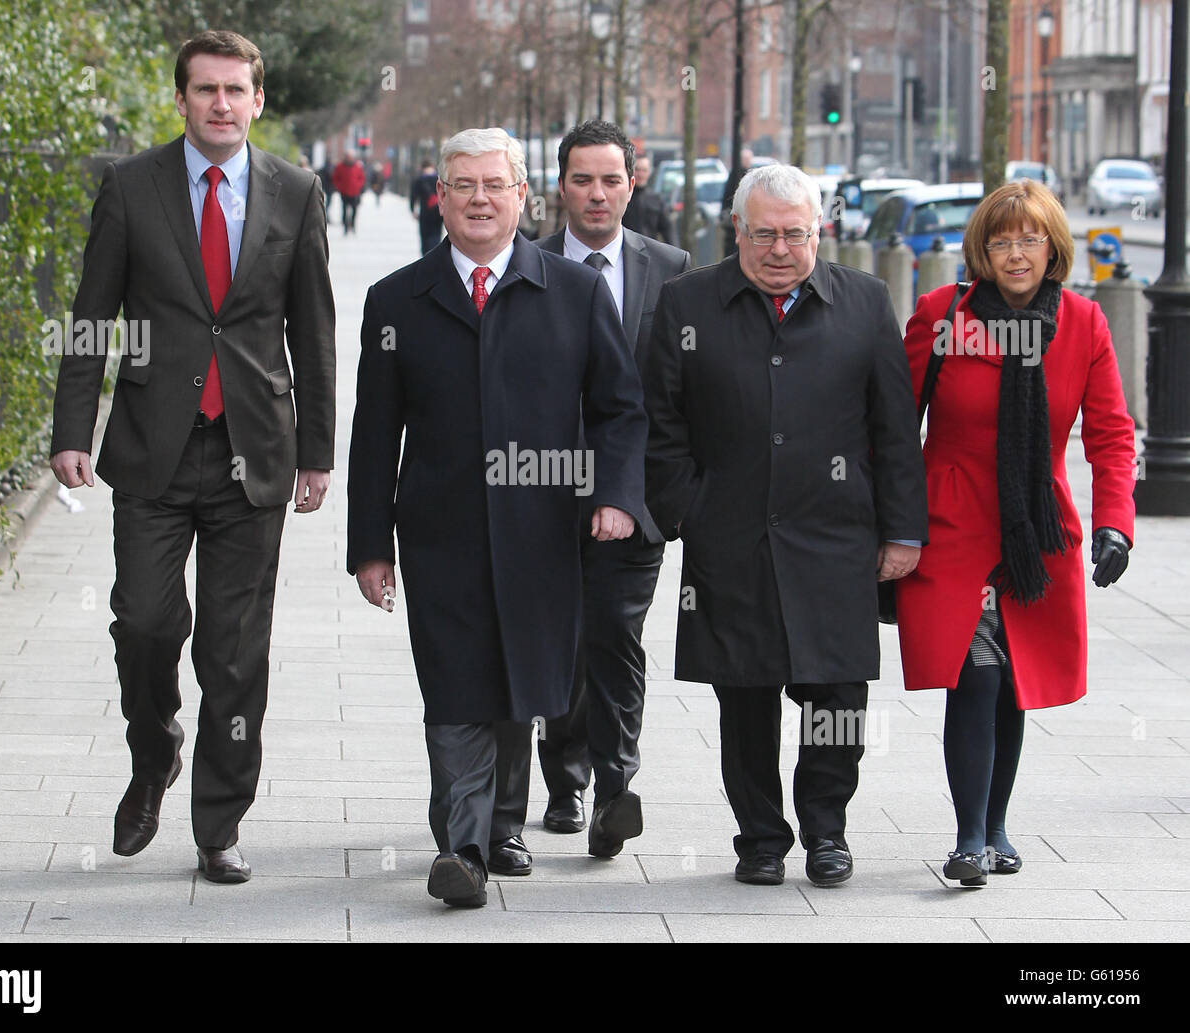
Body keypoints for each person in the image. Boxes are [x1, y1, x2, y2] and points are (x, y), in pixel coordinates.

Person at [49, 29, 336, 885]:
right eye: (204, 89)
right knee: (143, 623)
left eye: (235, 90)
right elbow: (92, 314)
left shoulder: (296, 191)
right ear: (181, 99)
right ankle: (154, 752)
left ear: (256, 100)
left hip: (255, 450)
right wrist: (70, 429)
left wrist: (316, 452)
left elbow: (314, 333)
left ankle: (219, 823)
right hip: (151, 450)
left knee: (234, 648)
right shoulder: (132, 187)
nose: (220, 103)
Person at [347, 127, 646, 908]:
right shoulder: (395, 301)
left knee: (520, 684)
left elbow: (619, 408)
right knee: (453, 684)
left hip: (544, 532)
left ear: (523, 196)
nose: (479, 199)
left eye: (495, 185)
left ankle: (500, 824)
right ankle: (464, 848)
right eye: (463, 185)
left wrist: (615, 494)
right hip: (440, 531)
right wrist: (369, 546)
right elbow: (374, 436)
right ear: (438, 196)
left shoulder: (575, 292)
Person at [642, 163, 927, 887]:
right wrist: (685, 508)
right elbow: (660, 421)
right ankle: (761, 837)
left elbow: (895, 428)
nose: (778, 249)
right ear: (736, 231)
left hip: (837, 539)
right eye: (763, 233)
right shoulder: (686, 304)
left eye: (794, 234)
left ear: (819, 231)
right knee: (745, 697)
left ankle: (826, 829)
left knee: (838, 698)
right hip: (729, 539)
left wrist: (902, 532)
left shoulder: (863, 302)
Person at [896, 179, 1135, 886]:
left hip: (1038, 533)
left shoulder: (1085, 323)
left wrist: (1114, 525)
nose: (1016, 251)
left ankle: (996, 822)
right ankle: (970, 835)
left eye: (1029, 237)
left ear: (1053, 244)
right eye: (1000, 239)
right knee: (976, 675)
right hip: (952, 527)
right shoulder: (944, 315)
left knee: (1014, 684)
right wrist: (890, 525)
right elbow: (893, 425)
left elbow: (1113, 435)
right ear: (982, 250)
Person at [490, 121, 689, 874]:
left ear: (632, 184)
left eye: (611, 179)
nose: (597, 193)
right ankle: (563, 774)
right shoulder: (523, 263)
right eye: (582, 179)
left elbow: (680, 392)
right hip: (537, 493)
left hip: (632, 496)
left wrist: (670, 492)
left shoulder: (670, 268)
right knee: (557, 643)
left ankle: (614, 788)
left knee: (614, 635)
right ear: (558, 187)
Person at [622, 154, 676, 247]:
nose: (640, 174)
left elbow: (668, 230)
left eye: (644, 170)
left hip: (649, 251)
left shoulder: (656, 199)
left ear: (649, 173)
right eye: (637, 170)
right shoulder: (622, 197)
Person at [409, 159, 443, 255]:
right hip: (438, 212)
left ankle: (426, 256)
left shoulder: (419, 180)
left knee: (425, 236)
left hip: (425, 213)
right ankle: (435, 254)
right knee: (436, 234)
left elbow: (413, 196)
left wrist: (413, 210)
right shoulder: (439, 179)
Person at [332, 150, 366, 234]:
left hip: (354, 192)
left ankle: (353, 224)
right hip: (344, 192)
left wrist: (358, 185)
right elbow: (335, 178)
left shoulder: (357, 167)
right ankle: (345, 226)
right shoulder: (339, 166)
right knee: (344, 209)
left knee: (354, 210)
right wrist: (339, 186)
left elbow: (362, 178)